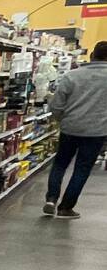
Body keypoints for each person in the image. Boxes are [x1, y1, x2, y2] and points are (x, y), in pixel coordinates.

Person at [44, 40, 107, 219]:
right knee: (82, 169)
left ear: (92, 55)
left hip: (70, 127)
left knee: (60, 164)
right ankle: (65, 208)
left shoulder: (72, 75)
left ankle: (51, 198)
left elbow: (56, 105)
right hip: (96, 132)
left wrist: (60, 119)